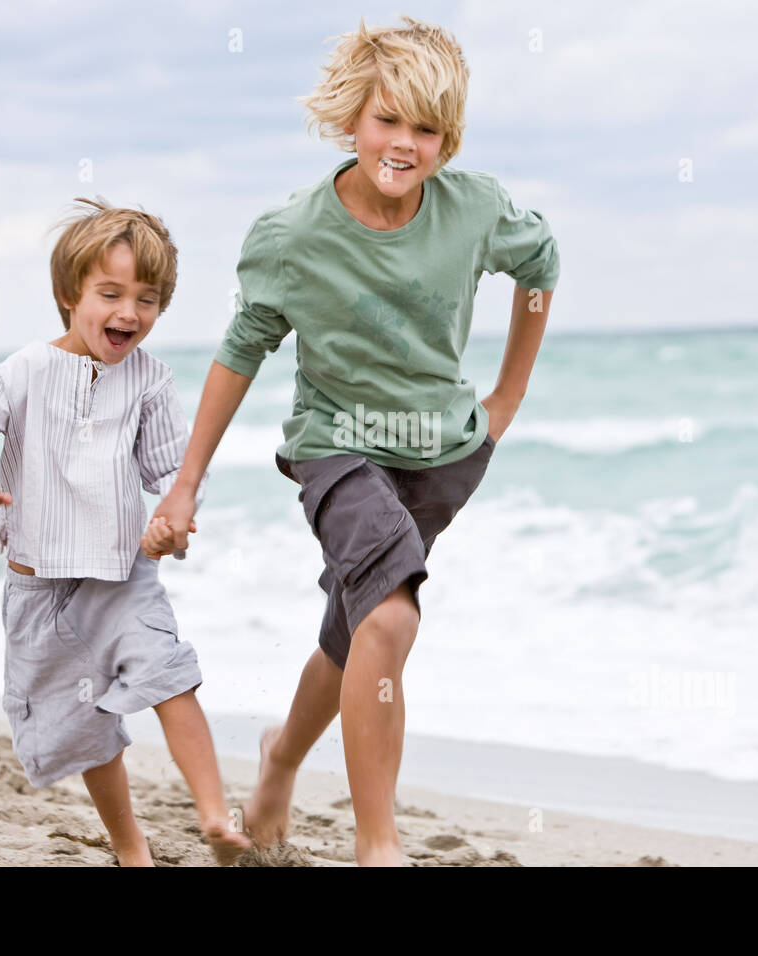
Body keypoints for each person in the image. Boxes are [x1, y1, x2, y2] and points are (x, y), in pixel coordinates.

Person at [141, 16, 561, 866]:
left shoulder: (475, 210)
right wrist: (186, 483)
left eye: (427, 129)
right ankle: (380, 845)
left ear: (449, 139)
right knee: (393, 618)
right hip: (335, 447)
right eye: (388, 120)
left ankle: (279, 760)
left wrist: (508, 396)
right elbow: (241, 352)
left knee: (357, 628)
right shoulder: (293, 236)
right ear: (350, 120)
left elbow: (542, 267)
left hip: (444, 457)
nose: (404, 145)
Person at [0, 198, 250, 866]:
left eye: (148, 299)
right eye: (111, 293)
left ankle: (216, 816)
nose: (129, 313)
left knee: (169, 674)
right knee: (87, 728)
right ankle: (131, 847)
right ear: (71, 296)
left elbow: (175, 471)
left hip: (124, 576)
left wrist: (174, 521)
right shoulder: (25, 371)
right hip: (40, 591)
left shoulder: (150, 381)